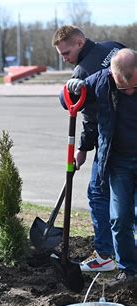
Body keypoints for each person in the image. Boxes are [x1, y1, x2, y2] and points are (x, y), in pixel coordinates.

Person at [53, 25, 125, 272]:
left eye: (66, 52)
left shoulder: (83, 72)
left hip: (114, 139)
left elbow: (88, 114)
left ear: (80, 42)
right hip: (129, 130)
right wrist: (84, 149)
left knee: (98, 194)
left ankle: (105, 254)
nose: (64, 58)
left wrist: (83, 147)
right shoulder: (114, 46)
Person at [65, 48, 137, 285]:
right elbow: (68, 99)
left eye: (134, 87)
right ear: (112, 75)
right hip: (118, 163)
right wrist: (72, 87)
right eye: (123, 87)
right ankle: (128, 270)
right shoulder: (101, 81)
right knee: (119, 218)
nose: (128, 91)